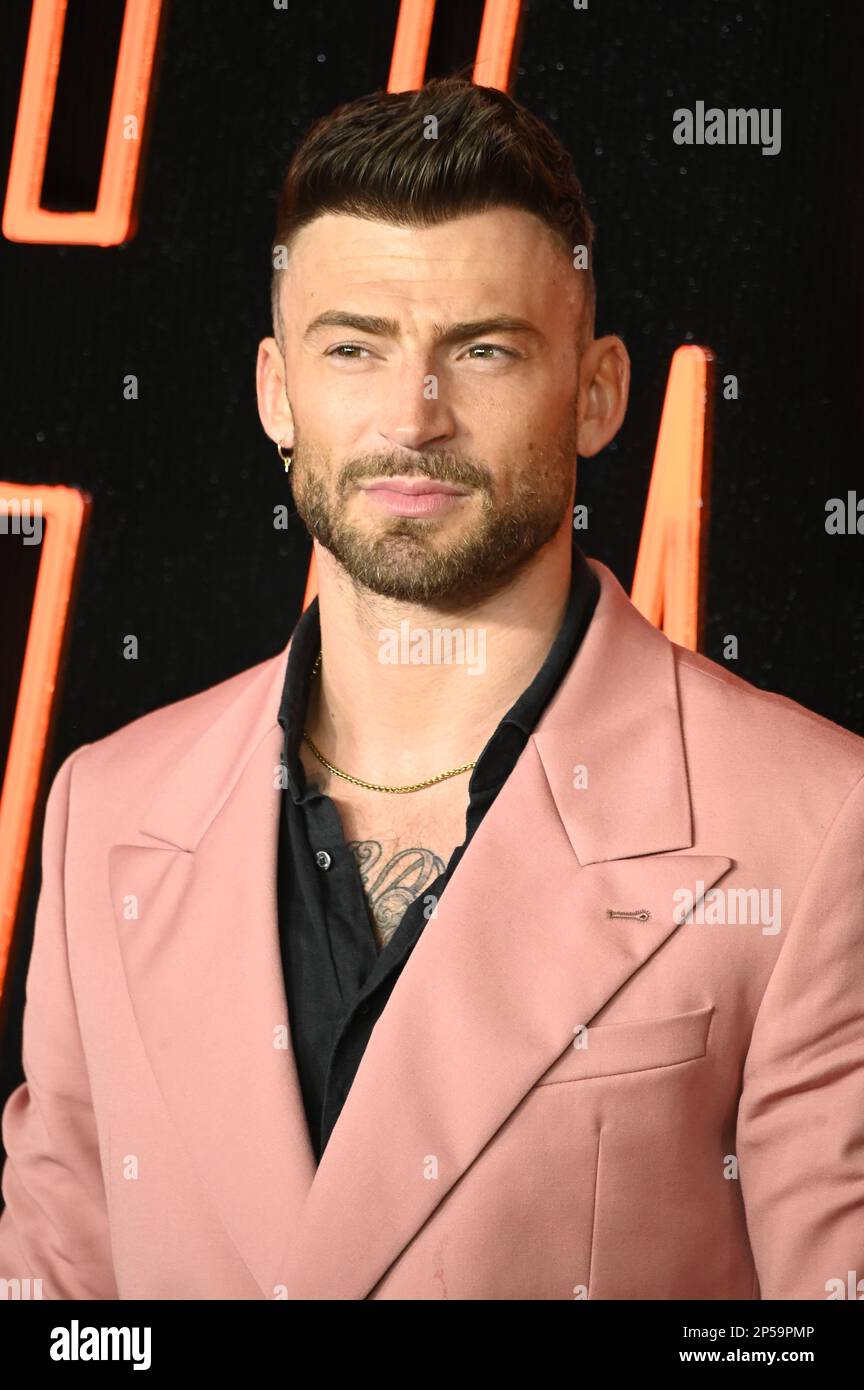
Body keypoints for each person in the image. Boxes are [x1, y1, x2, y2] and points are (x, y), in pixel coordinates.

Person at [1, 77, 862, 1302]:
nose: (416, 418)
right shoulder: (106, 811)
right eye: (354, 346)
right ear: (275, 392)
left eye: (485, 350)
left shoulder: (819, 825)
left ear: (601, 391)